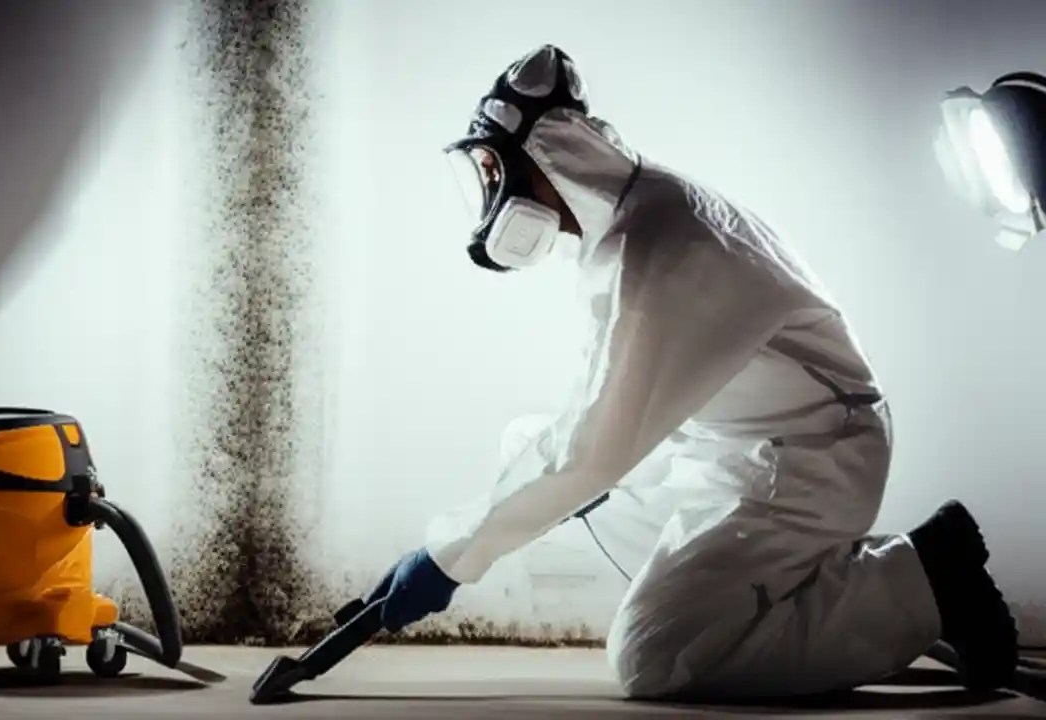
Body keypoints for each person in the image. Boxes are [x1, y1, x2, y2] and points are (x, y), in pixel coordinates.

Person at [363, 44, 1019, 700]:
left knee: (654, 653)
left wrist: (450, 556)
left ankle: (927, 577)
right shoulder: (635, 219)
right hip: (731, 453)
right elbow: (592, 436)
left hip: (810, 459)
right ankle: (838, 587)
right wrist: (467, 540)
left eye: (492, 168)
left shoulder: (660, 245)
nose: (489, 191)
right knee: (527, 450)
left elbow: (592, 450)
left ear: (546, 150)